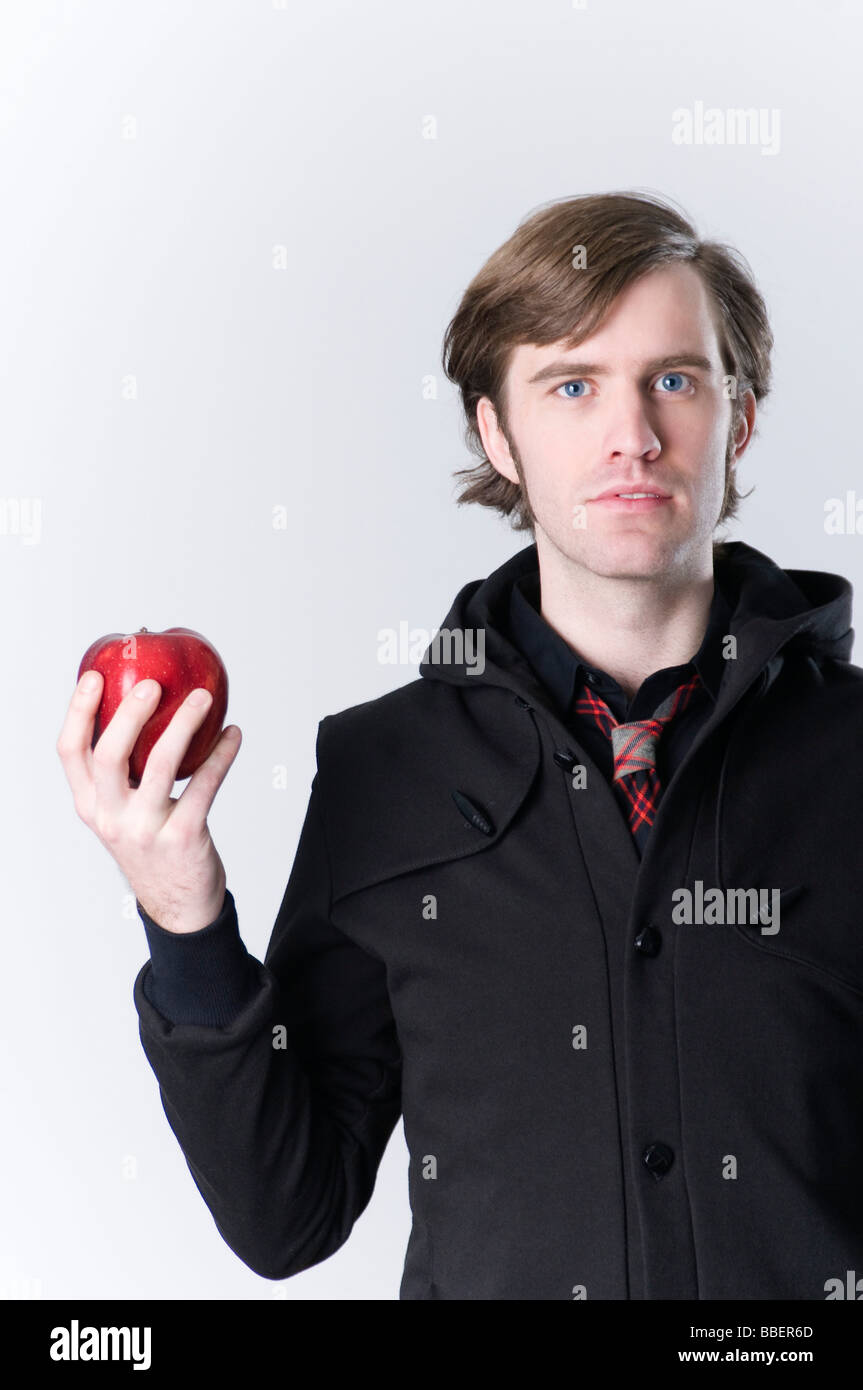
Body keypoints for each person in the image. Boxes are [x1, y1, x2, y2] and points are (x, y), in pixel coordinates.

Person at [57, 190, 863, 1301]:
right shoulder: (383, 772)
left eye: (674, 380)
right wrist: (183, 917)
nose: (631, 434)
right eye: (571, 386)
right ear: (496, 435)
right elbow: (287, 1215)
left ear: (740, 417)